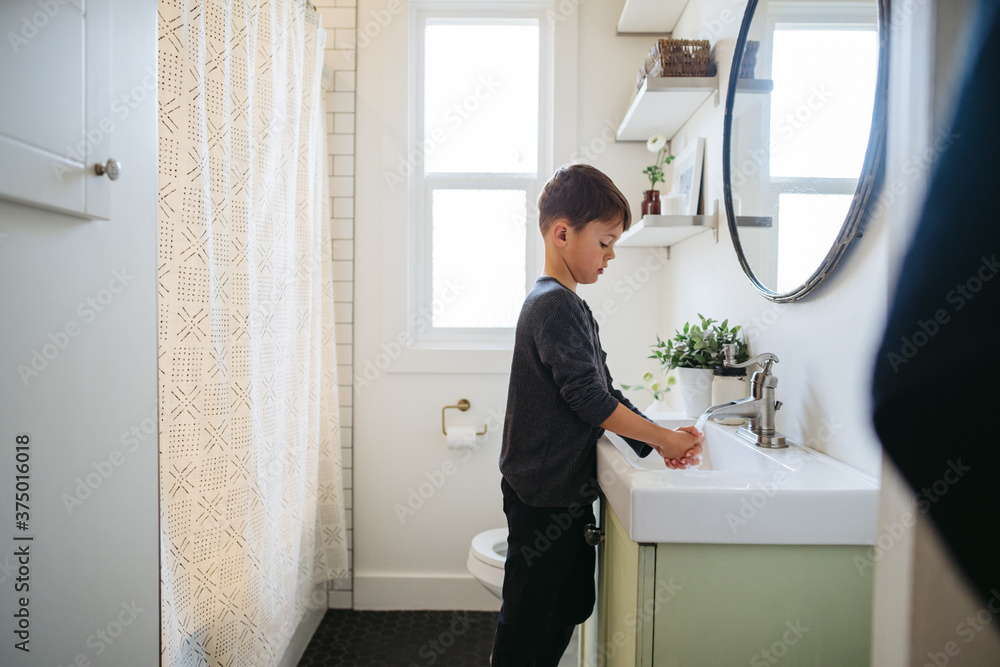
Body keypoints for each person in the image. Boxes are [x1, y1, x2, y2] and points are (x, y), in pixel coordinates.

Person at [490, 164, 704, 666]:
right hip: (543, 493)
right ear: (563, 234)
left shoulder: (569, 305)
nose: (612, 255)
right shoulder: (554, 306)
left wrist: (658, 438)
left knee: (567, 604)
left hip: (552, 489)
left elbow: (602, 390)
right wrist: (664, 440)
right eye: (605, 242)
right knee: (529, 623)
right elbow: (590, 400)